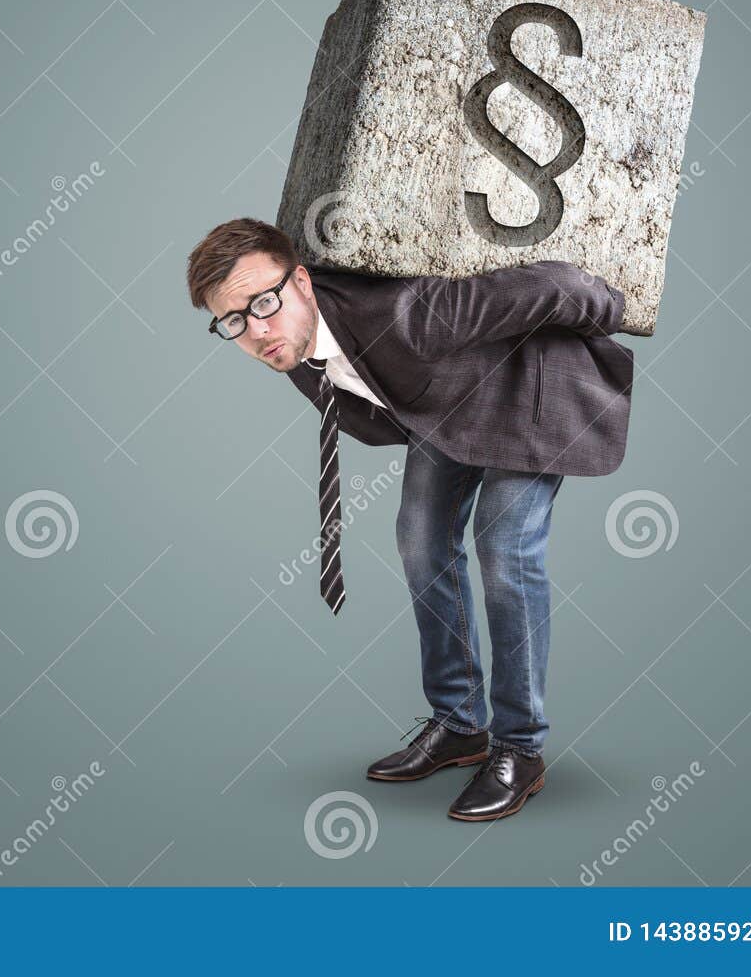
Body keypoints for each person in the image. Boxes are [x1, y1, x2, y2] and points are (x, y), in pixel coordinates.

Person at [186, 218, 634, 821]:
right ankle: (459, 724)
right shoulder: (287, 348)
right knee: (420, 538)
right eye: (233, 321)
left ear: (301, 281)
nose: (257, 329)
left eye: (264, 302)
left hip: (531, 386)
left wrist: (611, 307)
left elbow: (555, 282)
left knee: (504, 548)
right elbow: (370, 405)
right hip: (448, 400)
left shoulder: (405, 314)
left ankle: (520, 747)